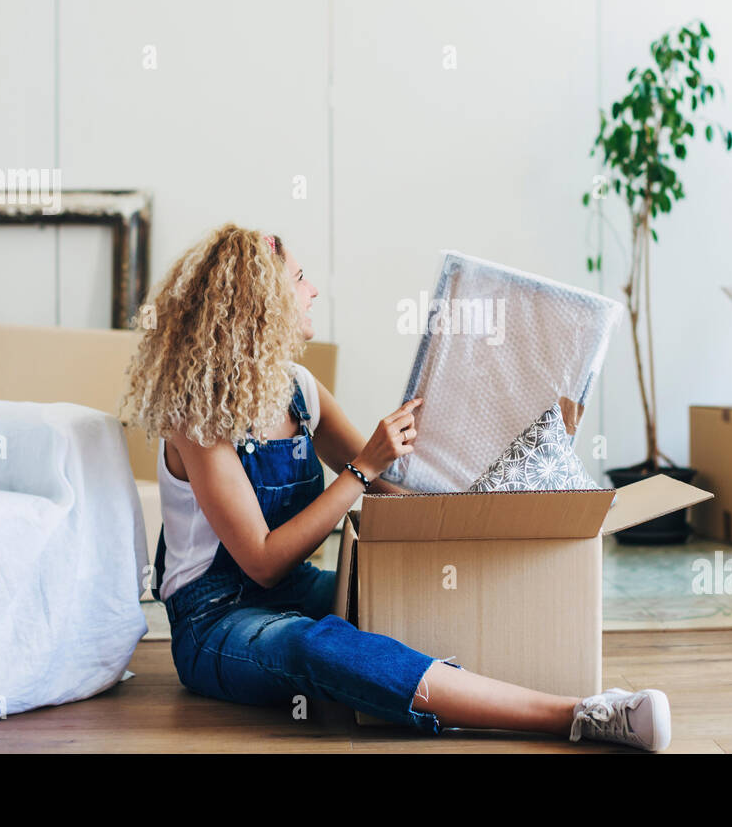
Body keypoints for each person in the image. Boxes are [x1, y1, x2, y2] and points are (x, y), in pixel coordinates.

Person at [120, 224, 671, 750]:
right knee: (315, 646)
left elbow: (384, 486)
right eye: (299, 278)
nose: (312, 291)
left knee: (414, 590)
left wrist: (476, 513)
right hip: (216, 618)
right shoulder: (197, 419)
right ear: (261, 303)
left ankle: (521, 690)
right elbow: (263, 561)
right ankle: (577, 716)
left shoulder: (300, 392)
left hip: (294, 590)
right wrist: (361, 470)